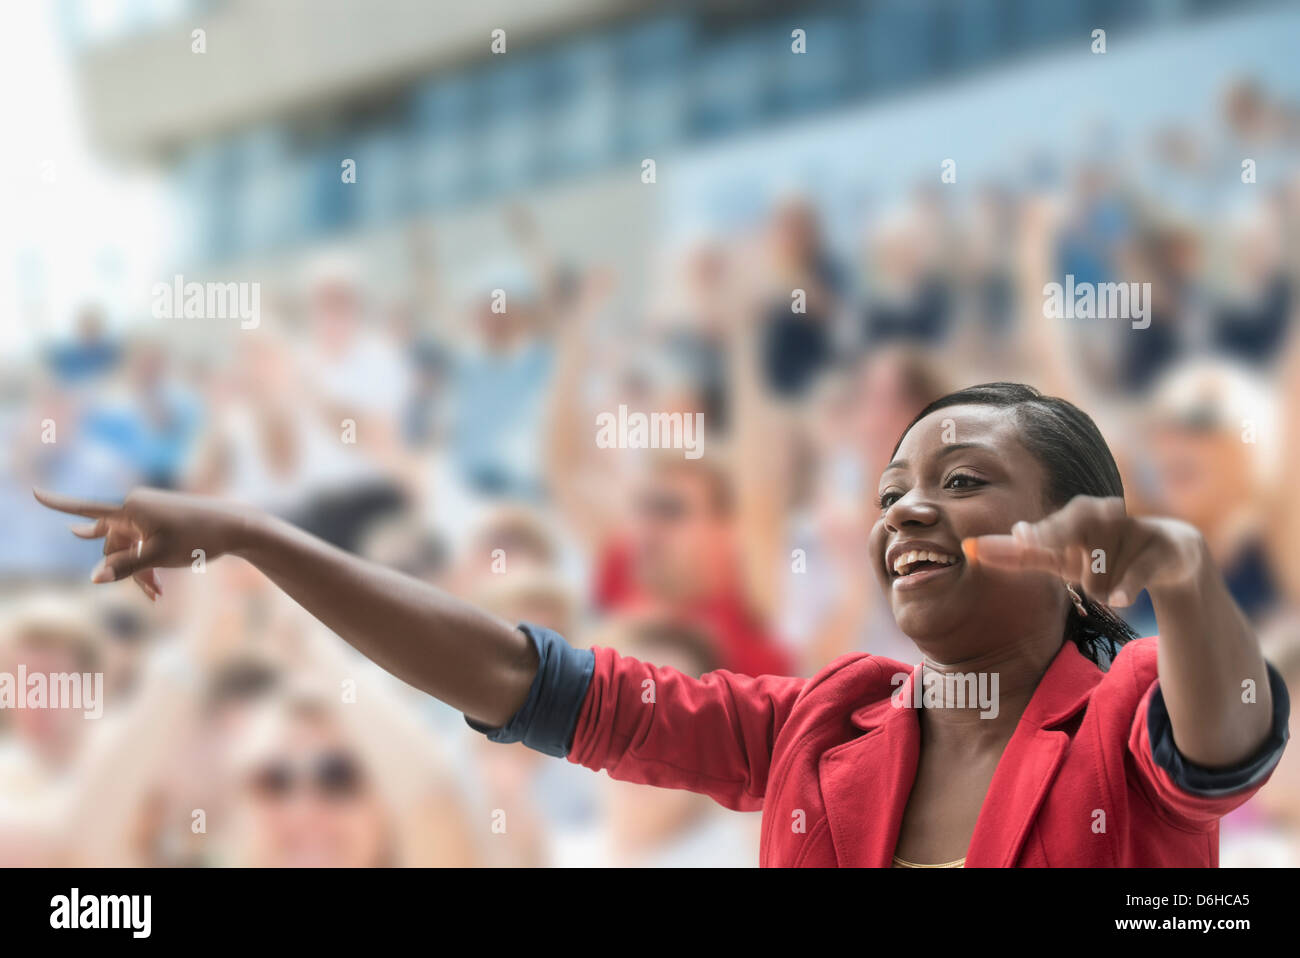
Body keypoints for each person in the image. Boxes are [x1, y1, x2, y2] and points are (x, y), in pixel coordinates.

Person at [34, 382, 1289, 867]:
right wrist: (259, 535)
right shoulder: (828, 720)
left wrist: (1179, 580)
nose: (907, 509)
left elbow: (1223, 743)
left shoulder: (1127, 710)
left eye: (959, 482)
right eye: (889, 487)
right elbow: (527, 680)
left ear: (1081, 539)